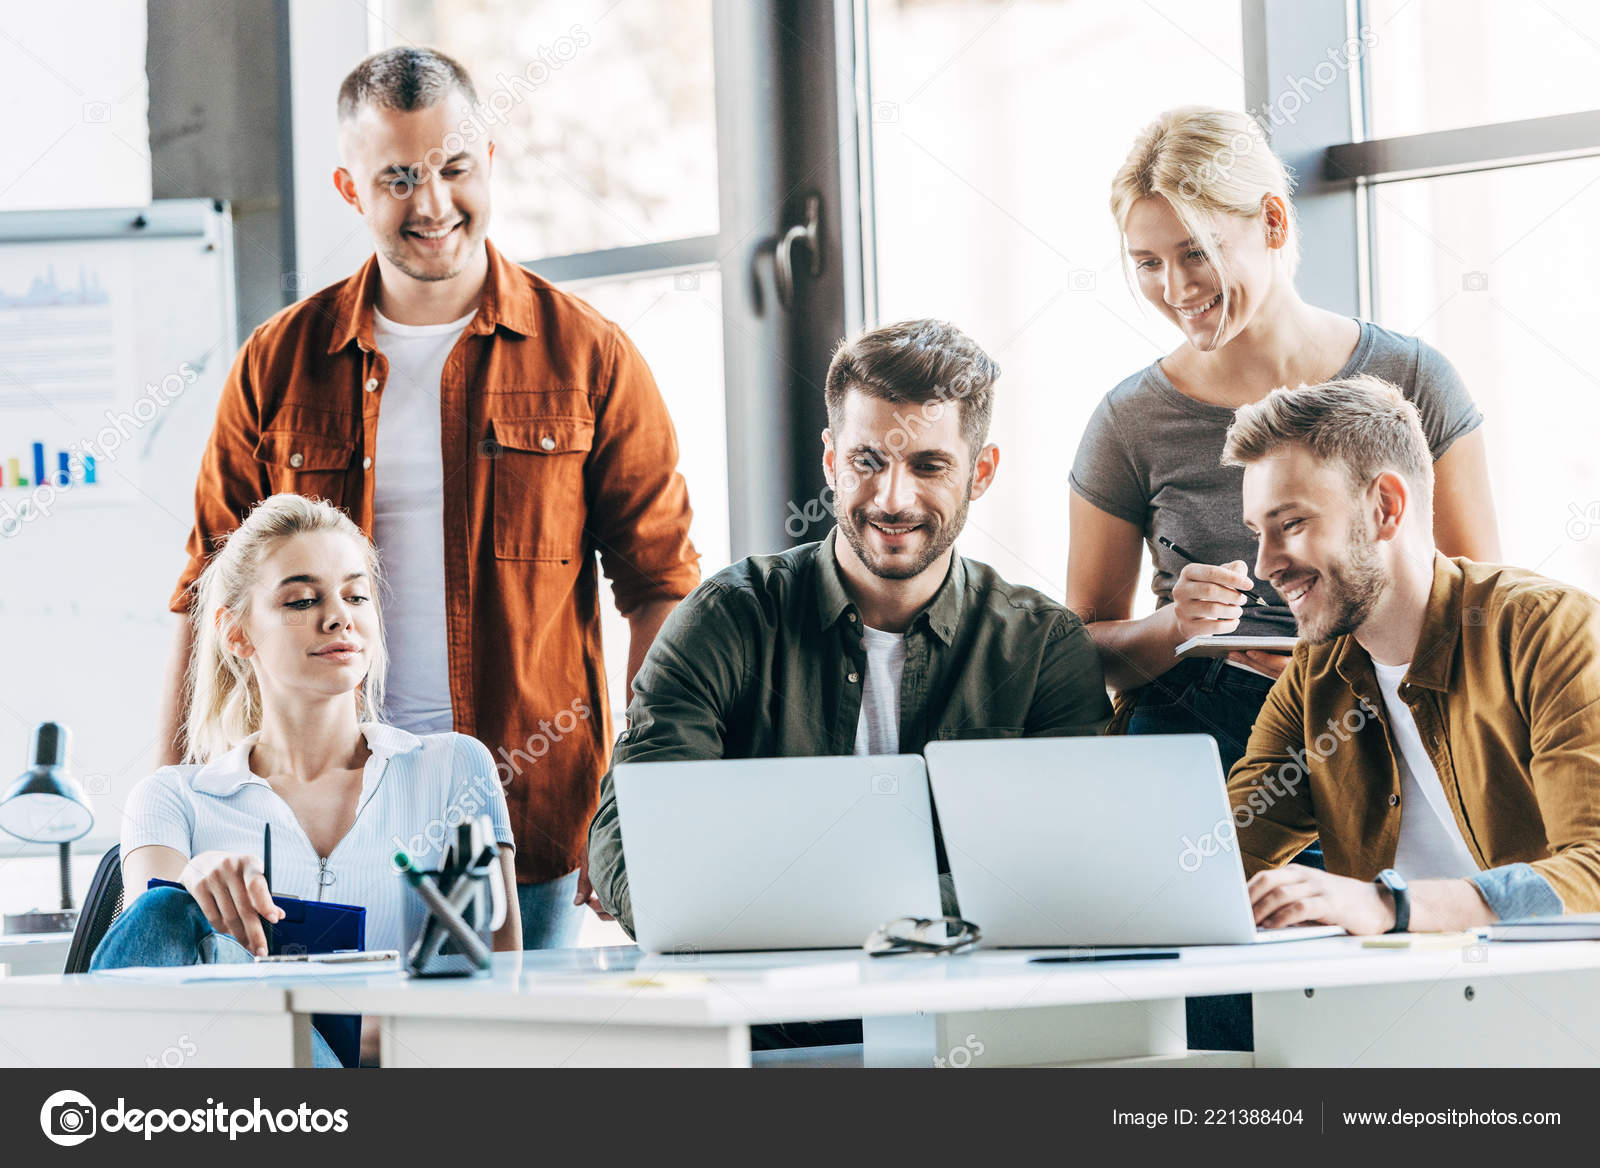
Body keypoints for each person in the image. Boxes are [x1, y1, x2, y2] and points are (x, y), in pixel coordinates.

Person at [156, 47, 699, 949]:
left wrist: (638, 804)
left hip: (527, 820)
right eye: (398, 177)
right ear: (349, 186)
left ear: (488, 160)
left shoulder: (590, 357)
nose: (433, 204)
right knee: (314, 1070)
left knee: (495, 1066)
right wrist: (169, 807)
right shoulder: (277, 363)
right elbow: (204, 589)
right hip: (301, 818)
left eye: (452, 168)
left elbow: (662, 587)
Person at [586, 319, 1113, 943]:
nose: (893, 499)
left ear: (982, 471)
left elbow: (1068, 865)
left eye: (929, 465)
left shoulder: (1042, 647)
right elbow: (635, 839)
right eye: (868, 461)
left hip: (964, 1015)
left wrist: (787, 897)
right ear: (832, 459)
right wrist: (911, 902)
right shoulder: (724, 620)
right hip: (764, 1015)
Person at [1067, 106, 1500, 777]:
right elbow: (1082, 652)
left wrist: (1337, 659)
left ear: (1272, 221)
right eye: (1147, 263)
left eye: (1197, 253)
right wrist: (1176, 628)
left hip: (1382, 714)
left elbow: (1480, 613)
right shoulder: (1130, 420)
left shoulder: (1414, 379)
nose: (1176, 289)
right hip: (1196, 730)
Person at [94, 494, 520, 1067]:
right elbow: (146, 978)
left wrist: (342, 1039)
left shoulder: (454, 768)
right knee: (165, 909)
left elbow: (504, 989)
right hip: (233, 1095)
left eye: (356, 595)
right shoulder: (172, 798)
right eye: (301, 599)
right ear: (238, 634)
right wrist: (190, 884)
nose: (339, 616)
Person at [1224, 375, 1600, 934]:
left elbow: (1592, 872)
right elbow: (1224, 854)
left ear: (1386, 507)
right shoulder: (1315, 673)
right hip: (1404, 1002)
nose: (1265, 564)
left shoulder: (1547, 630)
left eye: (1292, 524)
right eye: (1259, 532)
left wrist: (1387, 905)